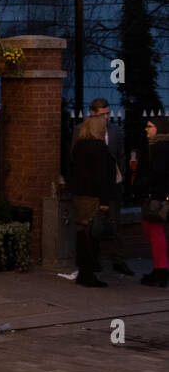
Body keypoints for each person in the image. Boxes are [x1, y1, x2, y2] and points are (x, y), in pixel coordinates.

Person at [71, 99, 132, 275]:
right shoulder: (81, 130)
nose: (106, 117)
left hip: (111, 184)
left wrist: (120, 178)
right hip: (91, 188)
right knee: (91, 225)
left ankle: (118, 260)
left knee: (114, 223)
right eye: (102, 114)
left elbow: (121, 155)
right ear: (93, 114)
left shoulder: (115, 130)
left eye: (107, 113)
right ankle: (93, 262)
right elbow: (75, 158)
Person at [71, 114, 117, 287]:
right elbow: (103, 176)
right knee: (93, 234)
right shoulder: (99, 148)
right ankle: (89, 274)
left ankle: (83, 271)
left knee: (82, 233)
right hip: (93, 196)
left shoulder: (79, 146)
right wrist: (104, 200)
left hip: (79, 196)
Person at [139, 117, 169, 287]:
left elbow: (157, 173)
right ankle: (160, 269)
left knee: (154, 230)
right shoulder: (159, 146)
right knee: (153, 230)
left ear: (160, 129)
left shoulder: (159, 147)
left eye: (150, 126)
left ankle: (161, 271)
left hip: (157, 197)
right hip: (159, 195)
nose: (146, 129)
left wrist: (142, 185)